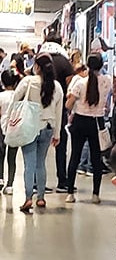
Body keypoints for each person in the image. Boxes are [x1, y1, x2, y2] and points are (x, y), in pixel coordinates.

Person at [12, 52, 63, 213]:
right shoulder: (57, 86)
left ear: (37, 67)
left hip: (29, 127)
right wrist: (57, 134)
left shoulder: (28, 81)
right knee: (41, 163)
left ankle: (28, 198)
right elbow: (58, 112)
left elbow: (15, 99)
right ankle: (41, 197)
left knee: (29, 164)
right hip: (48, 127)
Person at [65, 53, 112, 204]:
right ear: (102, 65)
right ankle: (95, 194)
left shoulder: (80, 84)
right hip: (97, 123)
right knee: (96, 158)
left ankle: (70, 193)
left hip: (80, 121)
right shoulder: (107, 81)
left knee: (75, 157)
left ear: (87, 65)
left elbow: (68, 105)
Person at [39, 33, 74, 192]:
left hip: (40, 108)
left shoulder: (40, 59)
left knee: (39, 147)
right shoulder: (64, 61)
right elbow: (70, 85)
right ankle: (62, 181)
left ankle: (37, 183)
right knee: (61, 144)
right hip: (59, 105)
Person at [0, 69, 19, 194]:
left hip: (1, 127)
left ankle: (0, 178)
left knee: (0, 155)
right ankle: (10, 184)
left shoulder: (1, 96)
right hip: (15, 128)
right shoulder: (18, 96)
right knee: (12, 158)